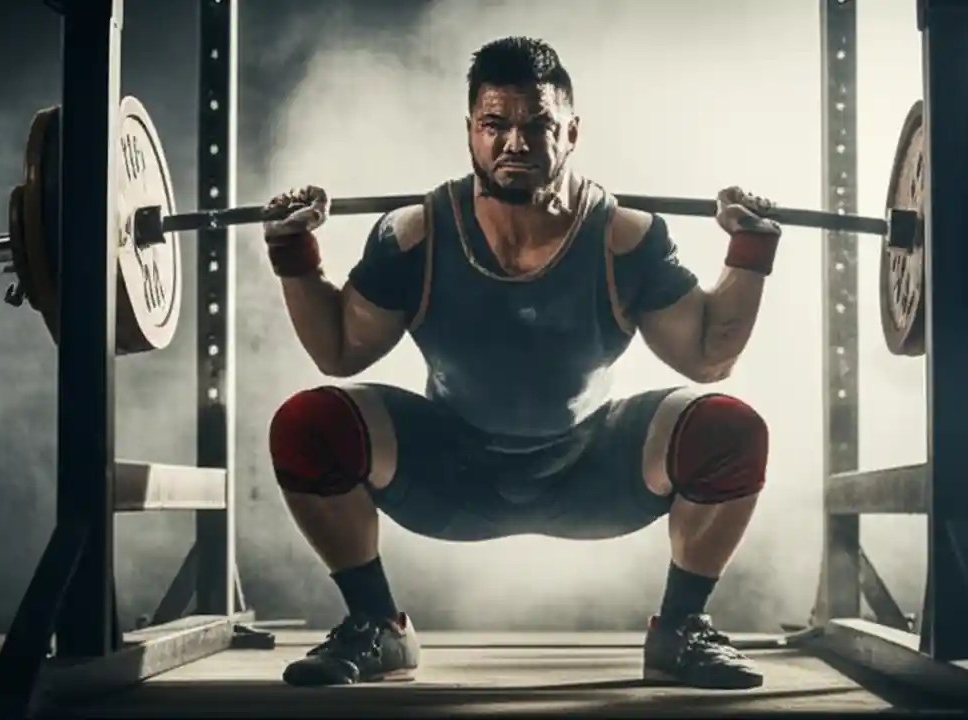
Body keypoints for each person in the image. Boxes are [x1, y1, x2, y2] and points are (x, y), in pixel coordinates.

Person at [262, 36, 782, 690]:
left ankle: (680, 630)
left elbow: (707, 358)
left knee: (729, 429)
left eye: (537, 125)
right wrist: (293, 253)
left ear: (571, 131)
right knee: (309, 423)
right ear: (471, 134)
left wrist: (750, 249)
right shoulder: (416, 235)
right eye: (495, 125)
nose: (515, 142)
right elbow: (338, 350)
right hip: (451, 470)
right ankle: (376, 627)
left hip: (593, 469)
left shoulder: (624, 236)